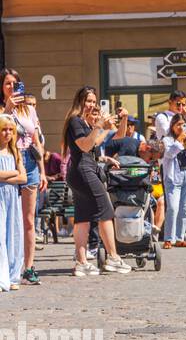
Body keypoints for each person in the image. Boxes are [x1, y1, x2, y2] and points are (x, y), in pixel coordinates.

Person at [61, 87, 133, 275]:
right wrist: (99, 126)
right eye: (88, 101)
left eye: (94, 101)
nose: (92, 105)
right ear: (80, 101)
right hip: (83, 172)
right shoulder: (75, 121)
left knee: (83, 218)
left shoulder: (84, 122)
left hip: (83, 171)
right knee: (106, 212)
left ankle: (82, 263)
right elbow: (85, 146)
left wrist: (122, 120)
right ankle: (113, 258)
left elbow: (117, 137)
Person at [3, 71, 47, 285]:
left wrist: (43, 170)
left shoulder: (29, 110)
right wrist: (8, 109)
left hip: (29, 164)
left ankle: (28, 267)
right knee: (8, 219)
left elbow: (37, 141)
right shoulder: (2, 110)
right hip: (9, 163)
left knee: (29, 220)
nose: (12, 87)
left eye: (15, 83)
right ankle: (7, 265)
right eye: (7, 83)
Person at [161, 112, 186, 247]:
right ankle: (168, 239)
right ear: (172, 126)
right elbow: (170, 153)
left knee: (185, 209)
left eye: (183, 125)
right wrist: (179, 141)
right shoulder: (167, 140)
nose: (181, 128)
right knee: (172, 208)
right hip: (174, 178)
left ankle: (179, 238)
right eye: (178, 125)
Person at [0, 115, 28, 291]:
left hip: (13, 198)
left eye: (11, 130)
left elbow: (23, 177)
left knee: (13, 234)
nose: (7, 133)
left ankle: (11, 276)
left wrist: (5, 176)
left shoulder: (15, 152)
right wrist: (13, 174)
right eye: (4, 129)